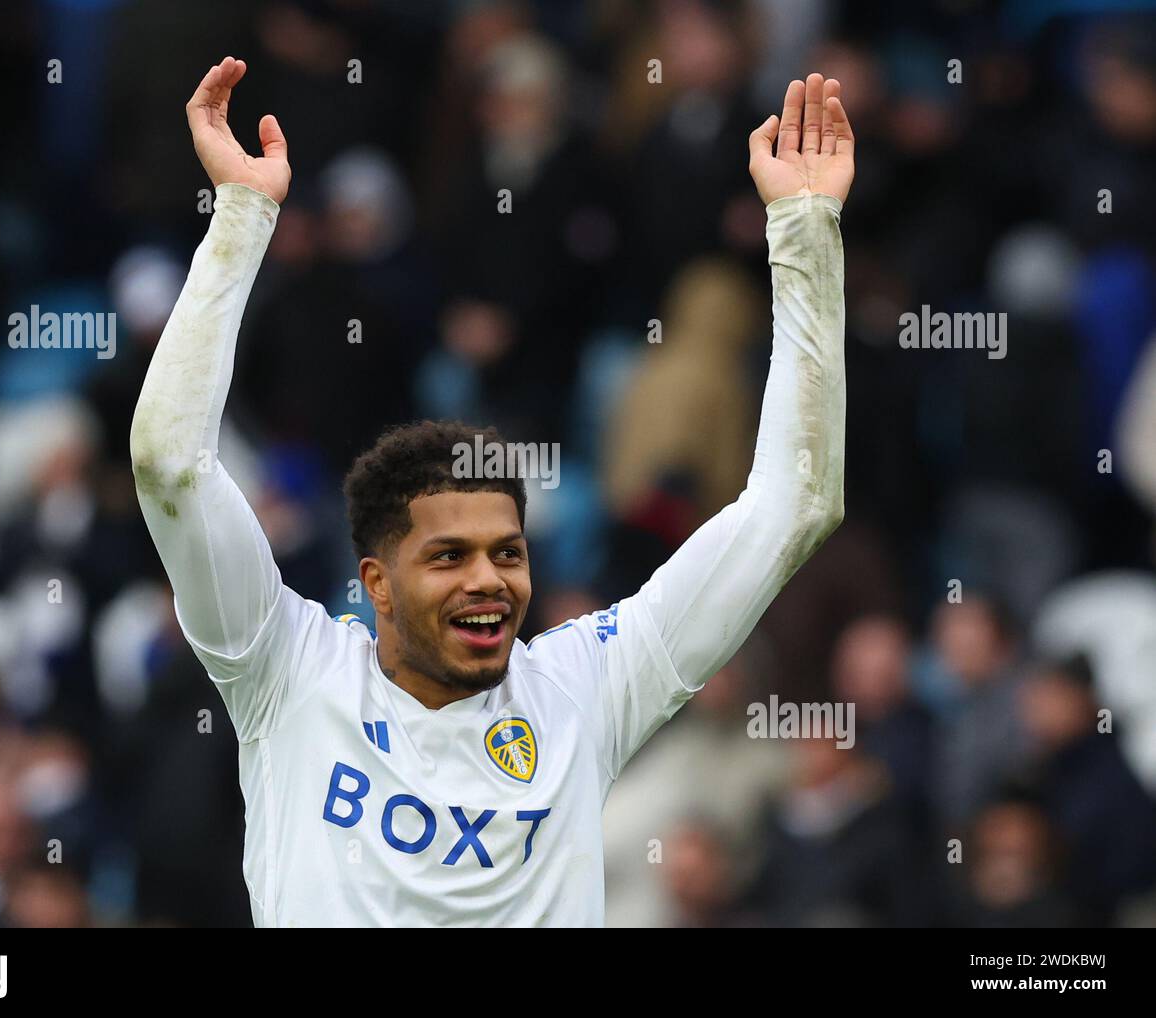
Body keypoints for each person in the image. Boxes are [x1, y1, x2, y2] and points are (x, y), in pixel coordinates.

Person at [129, 56, 853, 926]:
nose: (489, 579)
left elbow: (796, 502)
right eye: (449, 555)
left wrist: (806, 237)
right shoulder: (285, 669)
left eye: (507, 552)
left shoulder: (582, 691)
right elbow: (169, 462)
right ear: (376, 584)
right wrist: (242, 219)